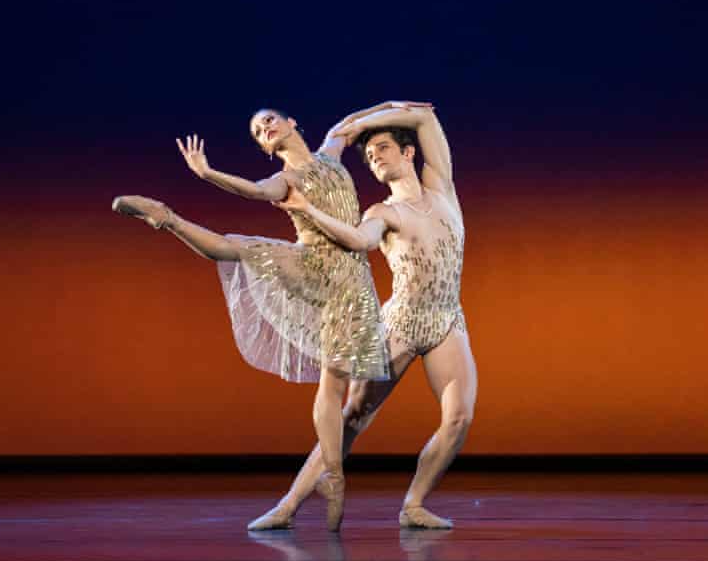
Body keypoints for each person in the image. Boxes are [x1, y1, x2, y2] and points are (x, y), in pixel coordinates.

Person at [111, 107, 397, 531]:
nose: (264, 129)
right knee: (238, 250)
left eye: (268, 121)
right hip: (315, 264)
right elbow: (254, 191)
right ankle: (166, 218)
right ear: (267, 147)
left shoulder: (332, 154)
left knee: (337, 379)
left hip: (354, 279)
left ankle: (325, 479)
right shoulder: (286, 180)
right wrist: (208, 175)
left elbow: (351, 123)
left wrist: (397, 109)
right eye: (258, 133)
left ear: (292, 122)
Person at [249, 102, 477, 530]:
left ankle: (414, 504)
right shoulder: (381, 212)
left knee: (459, 419)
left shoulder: (441, 187)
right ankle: (288, 505)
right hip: (401, 323)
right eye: (369, 156)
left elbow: (425, 117)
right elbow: (357, 240)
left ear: (408, 153)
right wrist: (306, 209)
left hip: (448, 320)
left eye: (383, 149)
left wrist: (363, 127)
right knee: (353, 414)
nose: (374, 157)